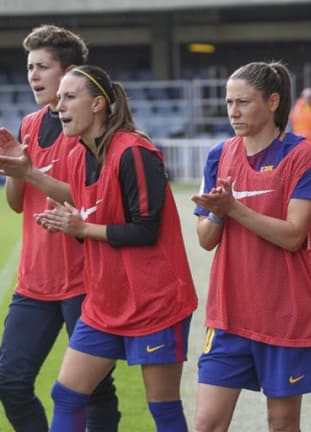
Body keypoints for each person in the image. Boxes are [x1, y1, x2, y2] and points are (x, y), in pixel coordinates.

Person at [0, 64, 197, 431]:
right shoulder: (77, 155)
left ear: (98, 105)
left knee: (164, 409)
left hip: (155, 302)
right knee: (68, 393)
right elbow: (82, 202)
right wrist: (36, 184)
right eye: (59, 99)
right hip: (105, 303)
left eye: (70, 97)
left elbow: (146, 230)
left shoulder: (135, 152)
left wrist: (82, 228)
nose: (59, 106)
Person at [191, 61, 311, 432]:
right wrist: (219, 214)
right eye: (228, 102)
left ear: (272, 102)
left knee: (281, 425)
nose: (233, 112)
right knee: (206, 424)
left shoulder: (303, 157)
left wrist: (233, 207)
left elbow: (292, 235)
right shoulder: (219, 155)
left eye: (244, 102)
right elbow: (206, 239)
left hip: (286, 313)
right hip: (228, 315)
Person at [0, 25, 120, 432]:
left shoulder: (89, 129)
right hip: (34, 282)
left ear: (70, 72)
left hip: (83, 281)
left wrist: (30, 172)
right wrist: (14, 170)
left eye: (42, 67)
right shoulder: (30, 124)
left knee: (96, 391)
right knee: (10, 382)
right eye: (29, 67)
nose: (33, 75)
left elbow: (90, 198)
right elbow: (17, 203)